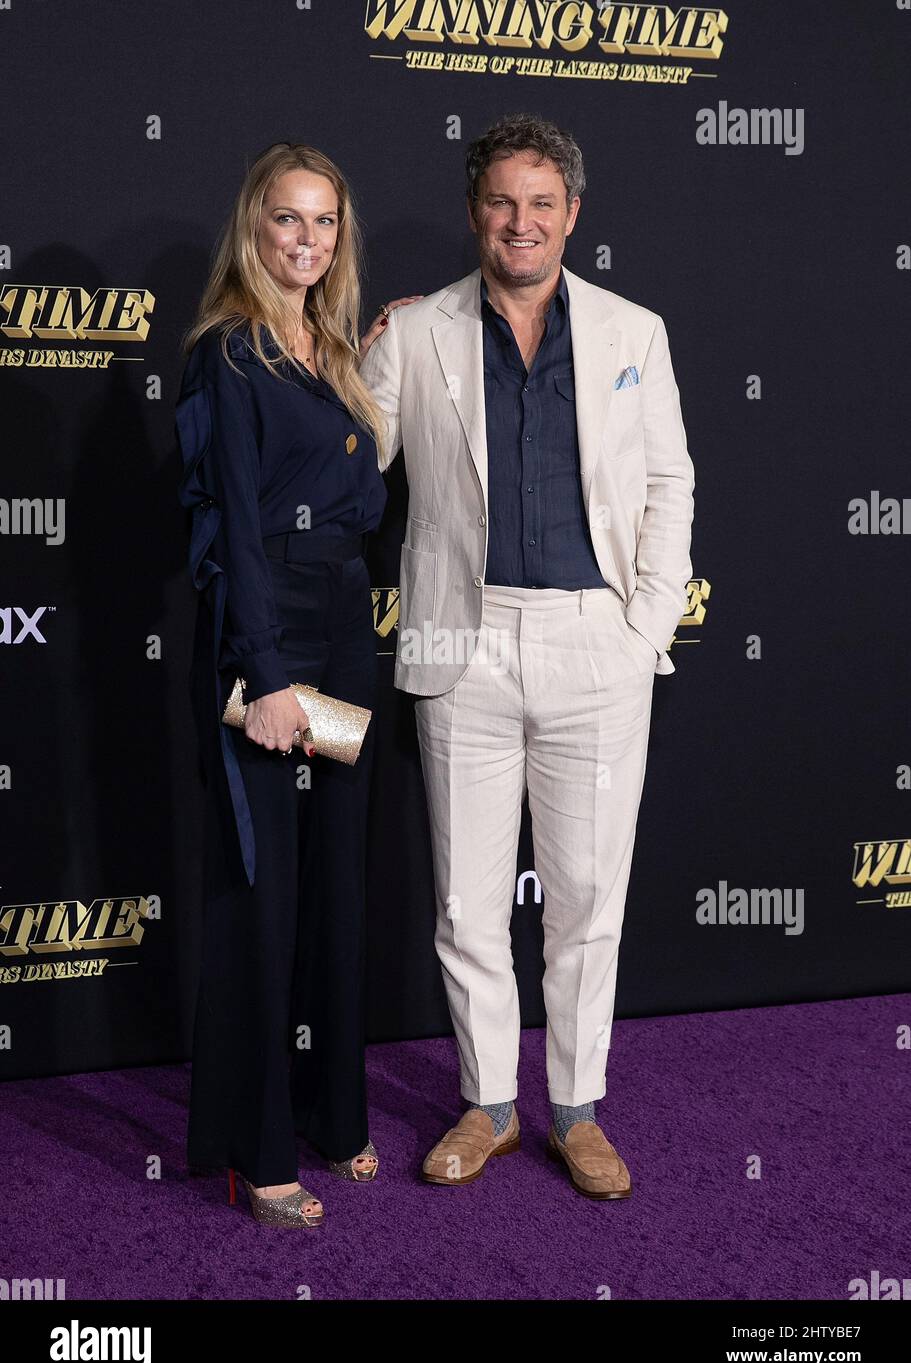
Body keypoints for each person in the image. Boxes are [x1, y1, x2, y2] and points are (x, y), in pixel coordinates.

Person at [360, 113, 695, 1200]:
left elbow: (668, 483)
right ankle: (489, 1105)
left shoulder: (633, 331)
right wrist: (353, 354)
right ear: (474, 211)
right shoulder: (417, 331)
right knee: (466, 902)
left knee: (586, 899)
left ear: (572, 215)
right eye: (502, 201)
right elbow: (350, 461)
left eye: (541, 203)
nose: (521, 221)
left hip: (595, 639)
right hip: (460, 639)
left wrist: (644, 627)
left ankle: (578, 1110)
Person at [175, 141, 417, 1227]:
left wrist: (374, 351)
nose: (306, 239)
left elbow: (352, 484)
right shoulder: (228, 354)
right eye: (287, 218)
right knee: (261, 888)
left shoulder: (330, 351)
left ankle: (332, 1113)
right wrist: (263, 674)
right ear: (253, 226)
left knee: (335, 882)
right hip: (265, 630)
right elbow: (229, 522)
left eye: (324, 221)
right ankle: (256, 1144)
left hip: (345, 628)